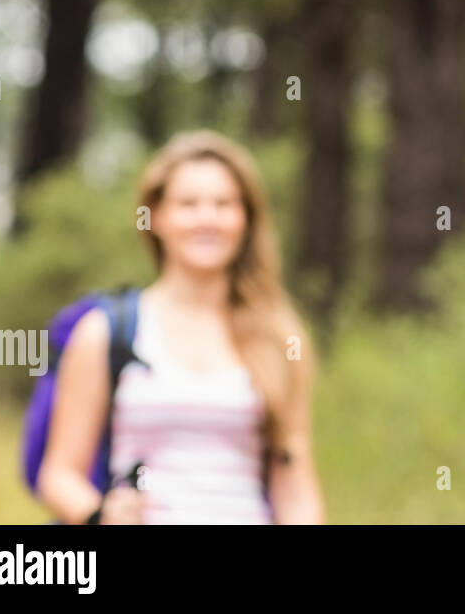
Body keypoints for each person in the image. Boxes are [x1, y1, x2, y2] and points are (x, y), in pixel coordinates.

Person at [37, 130, 324, 524]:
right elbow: (58, 475)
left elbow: (295, 485)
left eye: (224, 204)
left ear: (245, 219)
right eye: (188, 204)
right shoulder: (106, 331)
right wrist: (100, 514)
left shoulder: (279, 338)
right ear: (155, 216)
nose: (207, 218)